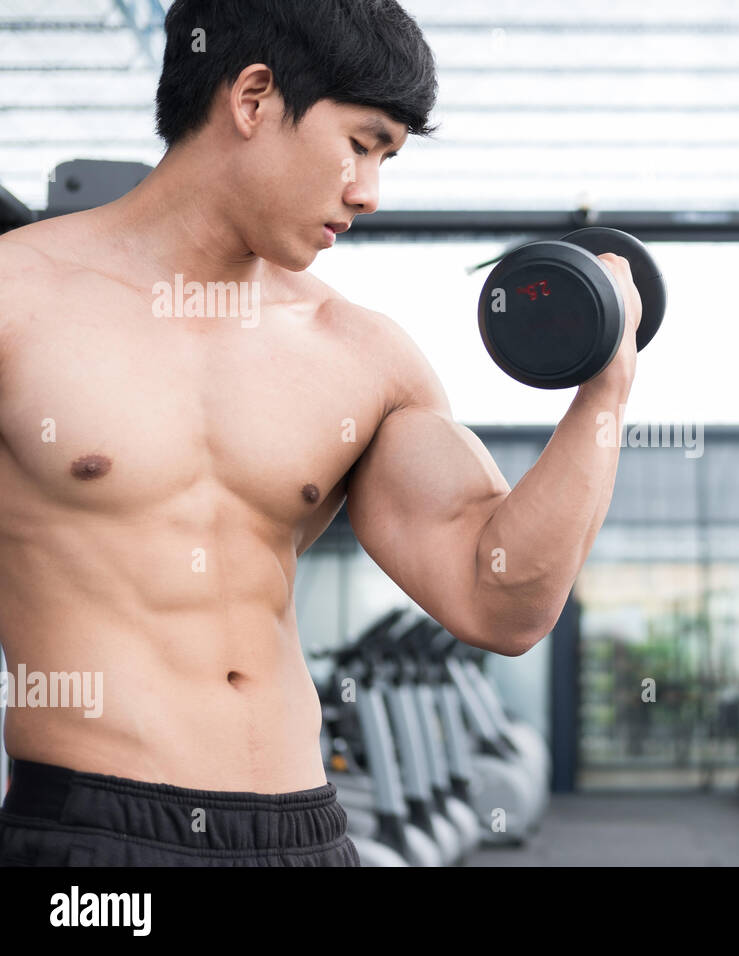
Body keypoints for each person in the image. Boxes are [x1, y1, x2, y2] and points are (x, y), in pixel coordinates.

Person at [0, 0, 640, 866]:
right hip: (95, 834)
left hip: (307, 831)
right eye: (361, 143)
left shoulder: (362, 355)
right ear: (255, 99)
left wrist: (605, 391)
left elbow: (500, 600)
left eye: (387, 159)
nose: (370, 192)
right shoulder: (20, 301)